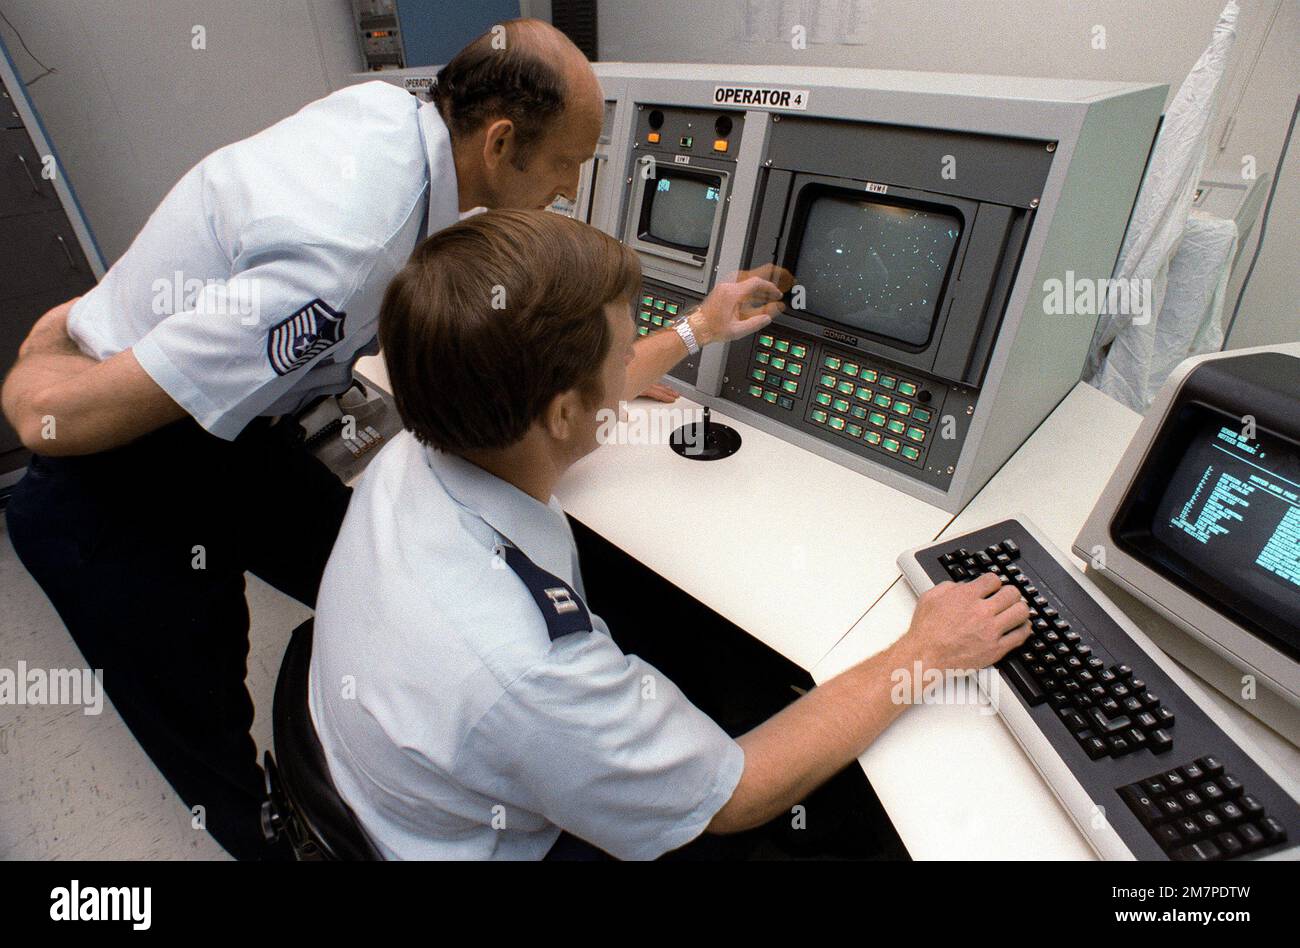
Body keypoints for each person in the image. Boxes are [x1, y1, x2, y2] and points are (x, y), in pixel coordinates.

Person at [0, 19, 716, 859]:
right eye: (569, 161)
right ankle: (275, 838)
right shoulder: (350, 251)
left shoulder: (389, 118)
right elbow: (59, 422)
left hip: (227, 429)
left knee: (362, 573)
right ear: (499, 140)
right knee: (201, 712)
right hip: (112, 471)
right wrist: (37, 357)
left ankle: (418, 755)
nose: (570, 188)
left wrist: (665, 343)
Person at [309, 209, 1033, 860]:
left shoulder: (428, 435)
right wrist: (924, 651)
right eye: (622, 356)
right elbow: (735, 796)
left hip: (395, 771)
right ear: (563, 412)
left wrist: (700, 328)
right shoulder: (532, 668)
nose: (634, 363)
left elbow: (540, 394)